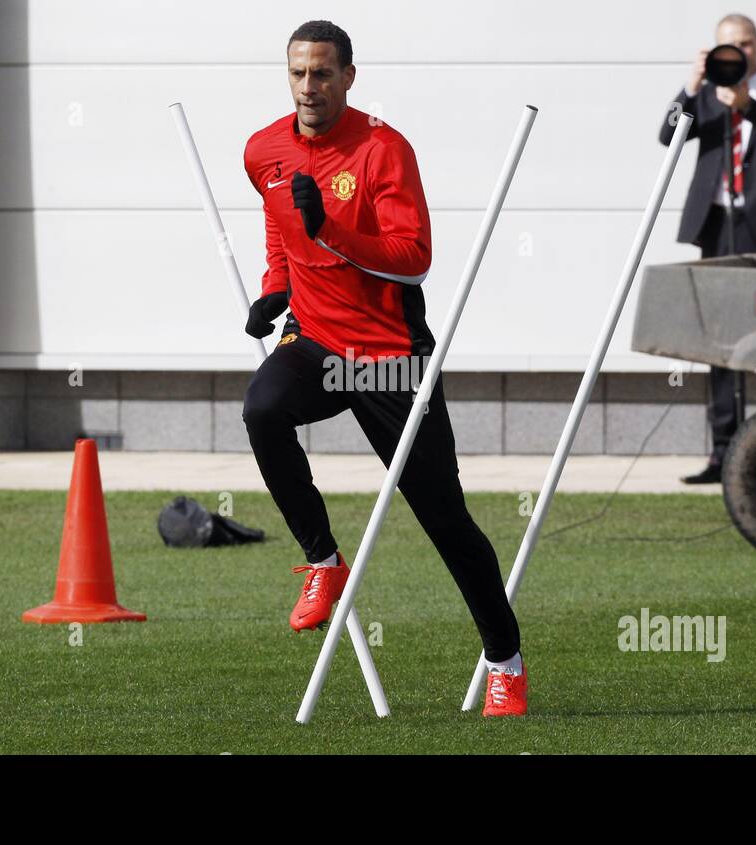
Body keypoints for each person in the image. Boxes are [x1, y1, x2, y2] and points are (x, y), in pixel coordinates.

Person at [240, 20, 526, 716]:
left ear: (348, 76)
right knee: (262, 409)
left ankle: (505, 661)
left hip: (389, 359)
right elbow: (281, 227)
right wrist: (277, 286)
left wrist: (330, 231)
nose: (309, 87)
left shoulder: (383, 149)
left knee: (444, 518)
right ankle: (323, 562)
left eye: (323, 73)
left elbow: (413, 258)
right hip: (314, 342)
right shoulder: (262, 150)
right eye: (298, 73)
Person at [659, 13, 756, 484]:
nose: (739, 53)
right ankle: (723, 452)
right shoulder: (708, 93)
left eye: (745, 44)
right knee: (720, 339)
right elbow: (668, 134)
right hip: (717, 225)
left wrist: (748, 105)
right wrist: (690, 88)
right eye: (728, 46)